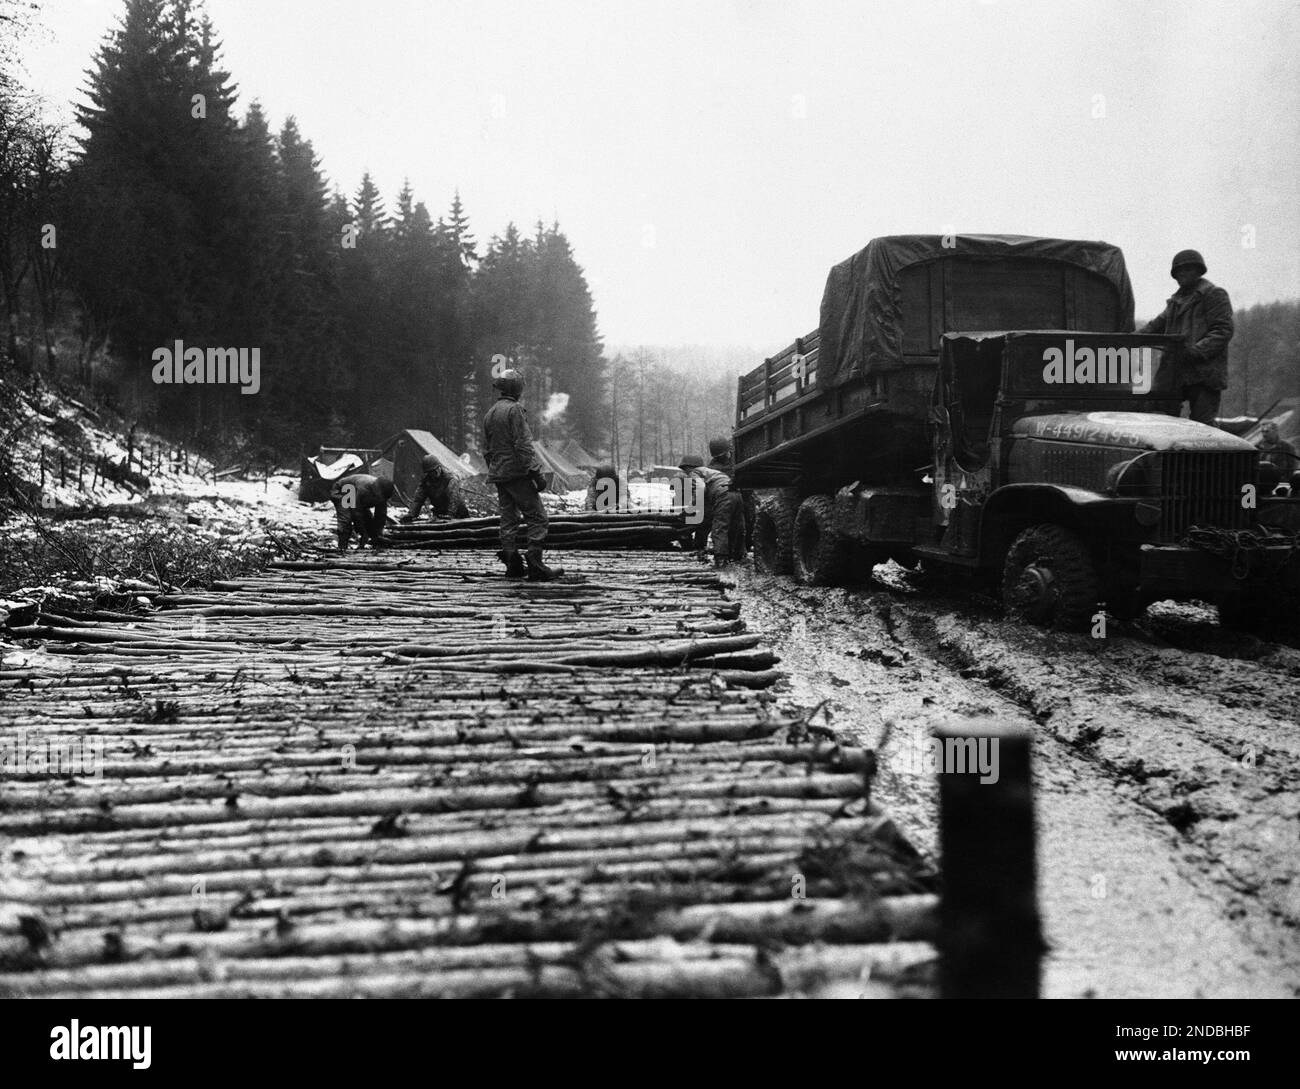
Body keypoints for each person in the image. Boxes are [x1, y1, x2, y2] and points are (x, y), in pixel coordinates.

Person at [483, 368, 562, 580]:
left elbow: (486, 450)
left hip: (500, 474)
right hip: (517, 473)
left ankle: (512, 564)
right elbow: (523, 444)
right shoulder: (514, 410)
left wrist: (496, 469)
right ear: (517, 389)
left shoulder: (490, 413)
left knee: (508, 519)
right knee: (538, 518)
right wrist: (536, 473)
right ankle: (535, 564)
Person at [1140, 249, 1234, 426]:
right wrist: (1126, 340)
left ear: (1199, 271)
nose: (1183, 273)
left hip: (1204, 374)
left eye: (1188, 269)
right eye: (1179, 271)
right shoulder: (1176, 302)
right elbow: (1154, 327)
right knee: (1160, 421)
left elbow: (1222, 330)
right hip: (1175, 373)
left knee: (1202, 428)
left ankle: (1206, 455)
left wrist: (1195, 352)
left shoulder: (1213, 294)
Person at [679, 454, 745, 566]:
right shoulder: (710, 472)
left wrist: (689, 510)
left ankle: (721, 560)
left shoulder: (695, 472)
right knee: (736, 527)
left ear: (690, 467)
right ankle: (739, 557)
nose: (686, 473)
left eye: (685, 469)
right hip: (736, 494)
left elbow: (700, 489)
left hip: (723, 495)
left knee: (719, 527)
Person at [707, 435, 754, 553]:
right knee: (735, 529)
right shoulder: (730, 466)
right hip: (737, 499)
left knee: (732, 529)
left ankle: (730, 555)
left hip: (733, 500)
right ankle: (731, 556)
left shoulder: (712, 468)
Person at [329, 473, 395, 551]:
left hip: (357, 498)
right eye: (379, 497)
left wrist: (377, 535)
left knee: (368, 521)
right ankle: (342, 548)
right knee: (346, 520)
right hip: (342, 492)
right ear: (376, 489)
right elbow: (355, 512)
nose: (380, 500)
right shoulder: (363, 488)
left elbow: (381, 516)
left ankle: (373, 544)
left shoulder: (382, 494)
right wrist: (363, 533)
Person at [401, 454, 470, 522]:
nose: (432, 475)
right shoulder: (426, 481)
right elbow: (418, 499)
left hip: (459, 515)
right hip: (440, 514)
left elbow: (453, 498)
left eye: (433, 471)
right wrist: (411, 514)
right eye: (429, 472)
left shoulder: (450, 478)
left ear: (438, 468)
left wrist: (450, 514)